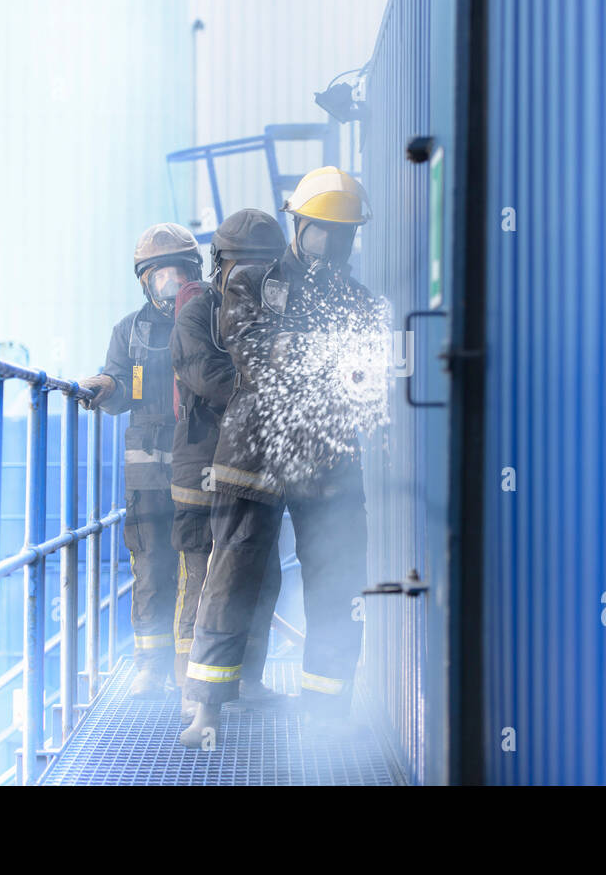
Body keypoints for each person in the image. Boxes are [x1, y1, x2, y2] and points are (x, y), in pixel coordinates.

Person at [180, 168, 385, 748]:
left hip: (329, 462)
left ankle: (328, 709)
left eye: (344, 236)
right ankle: (208, 710)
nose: (335, 246)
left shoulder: (361, 303)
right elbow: (252, 352)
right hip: (255, 456)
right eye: (324, 232)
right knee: (233, 578)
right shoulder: (250, 282)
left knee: (337, 580)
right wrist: (320, 354)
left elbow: (363, 380)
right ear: (300, 226)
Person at [169, 209, 288, 720]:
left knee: (262, 575)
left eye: (263, 267)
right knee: (211, 575)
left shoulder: (277, 309)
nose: (251, 277)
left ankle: (246, 682)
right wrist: (274, 390)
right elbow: (206, 375)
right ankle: (195, 699)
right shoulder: (199, 314)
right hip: (208, 463)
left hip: (257, 461)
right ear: (220, 266)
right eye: (243, 266)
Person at [78, 223, 202, 697]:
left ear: (194, 272)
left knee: (200, 566)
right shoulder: (129, 331)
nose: (170, 286)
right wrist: (102, 386)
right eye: (160, 277)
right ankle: (151, 667)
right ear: (145, 281)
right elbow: (115, 384)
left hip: (201, 467)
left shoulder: (212, 318)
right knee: (152, 565)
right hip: (149, 472)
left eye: (179, 275)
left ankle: (193, 669)